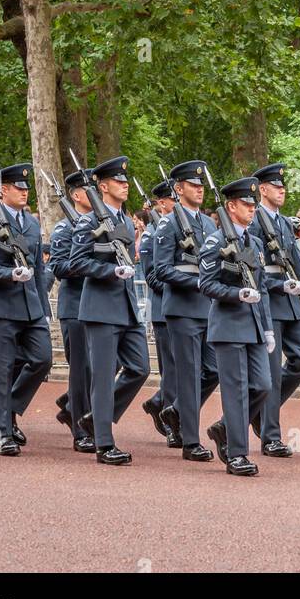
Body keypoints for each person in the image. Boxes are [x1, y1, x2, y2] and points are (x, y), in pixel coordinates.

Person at [249, 162, 300, 456]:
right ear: (262, 190)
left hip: (291, 302)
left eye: (284, 186)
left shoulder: (285, 223)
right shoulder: (254, 222)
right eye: (276, 186)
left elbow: (299, 266)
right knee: (271, 374)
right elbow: (252, 270)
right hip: (269, 301)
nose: (282, 190)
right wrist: (278, 286)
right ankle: (270, 436)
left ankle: (260, 410)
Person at [69, 155, 149, 465]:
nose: (125, 184)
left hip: (126, 307)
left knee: (140, 368)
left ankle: (95, 418)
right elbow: (75, 263)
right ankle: (104, 443)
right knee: (102, 377)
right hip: (100, 307)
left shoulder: (127, 221)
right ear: (103, 186)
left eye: (126, 180)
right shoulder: (89, 221)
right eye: (119, 181)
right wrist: (109, 271)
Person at [0, 162, 53, 456]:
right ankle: (0, 432)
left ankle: (8, 409)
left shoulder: (31, 223)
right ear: (3, 190)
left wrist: (44, 307)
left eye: (26, 187)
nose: (24, 191)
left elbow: (40, 268)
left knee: (42, 359)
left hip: (30, 305)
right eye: (19, 187)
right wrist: (7, 274)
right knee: (1, 370)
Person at [199, 177, 273, 476]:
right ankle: (237, 454)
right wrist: (236, 294)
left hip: (254, 325)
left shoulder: (253, 243)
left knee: (263, 385)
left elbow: (263, 287)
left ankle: (225, 428)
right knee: (237, 391)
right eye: (246, 204)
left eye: (254, 204)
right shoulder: (215, 241)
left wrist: (267, 327)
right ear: (231, 206)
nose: (252, 208)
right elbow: (206, 284)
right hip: (228, 325)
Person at [153, 159, 219, 463]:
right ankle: (191, 441)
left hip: (208, 309)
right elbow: (161, 269)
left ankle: (176, 410)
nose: (199, 189)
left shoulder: (208, 224)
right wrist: (196, 281)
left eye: (201, 184)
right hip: (181, 308)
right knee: (190, 375)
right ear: (178, 189)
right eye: (193, 185)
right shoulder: (168, 223)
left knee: (214, 370)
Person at [48, 169, 94, 453]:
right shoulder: (65, 229)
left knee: (103, 366)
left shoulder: (98, 225)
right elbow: (59, 267)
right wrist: (90, 264)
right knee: (81, 370)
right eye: (89, 190)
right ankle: (81, 429)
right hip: (75, 306)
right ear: (76, 195)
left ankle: (71, 405)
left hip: (99, 307)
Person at [139, 179, 181, 447]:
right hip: (165, 310)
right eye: (173, 199)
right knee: (172, 371)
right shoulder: (151, 233)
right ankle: (170, 422)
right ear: (162, 203)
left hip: (189, 310)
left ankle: (159, 403)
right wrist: (178, 288)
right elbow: (152, 275)